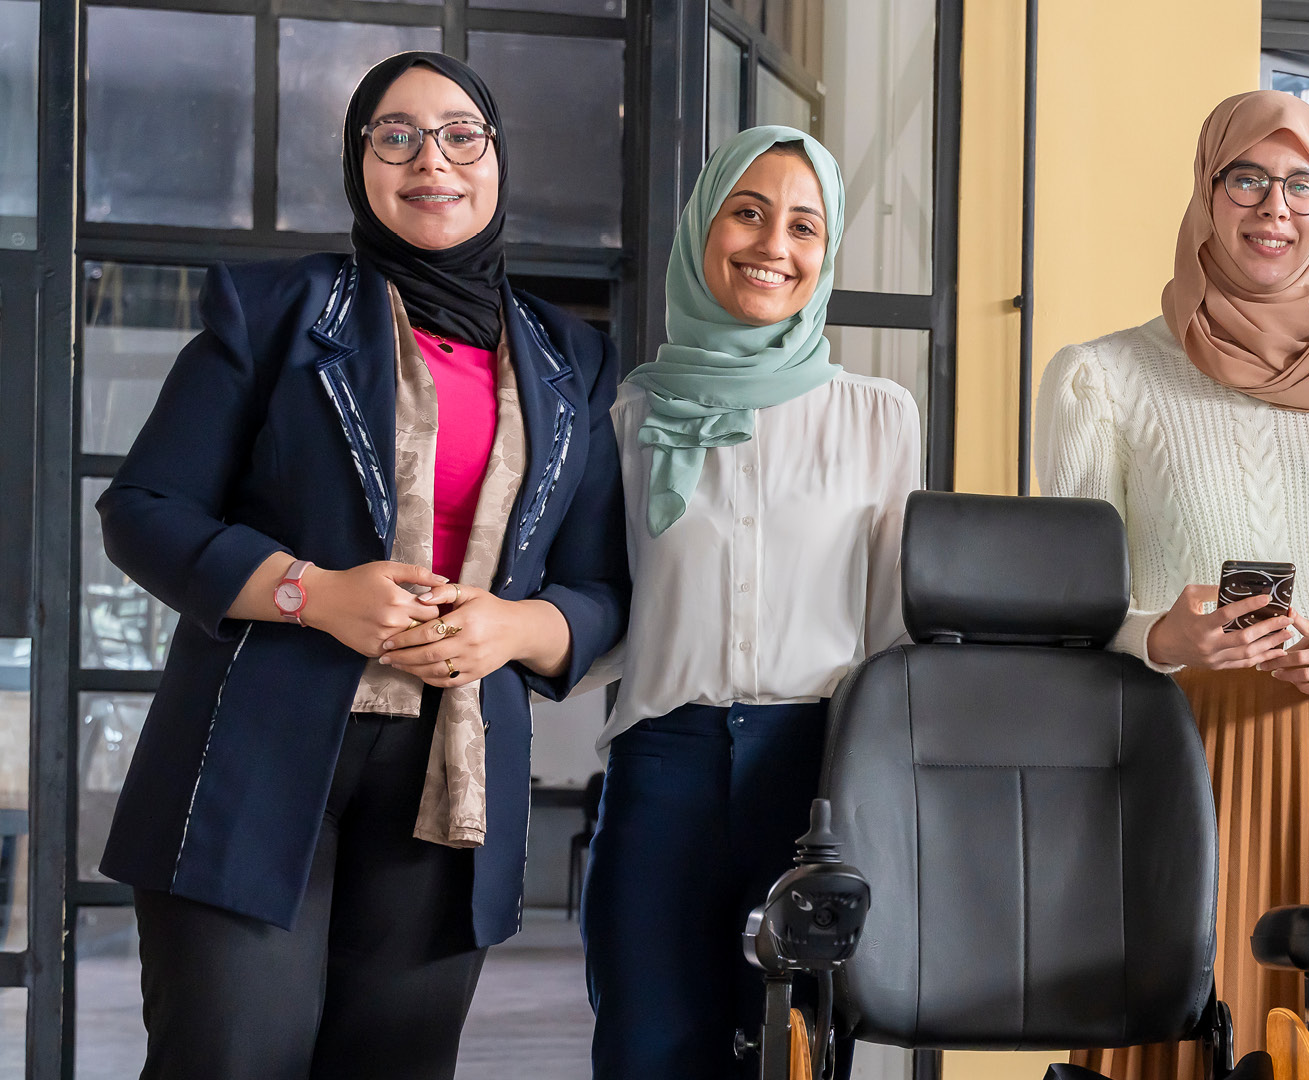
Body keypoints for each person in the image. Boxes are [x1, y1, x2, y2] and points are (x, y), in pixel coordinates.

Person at [95, 52, 629, 1080]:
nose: (433, 162)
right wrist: (313, 593)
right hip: (253, 758)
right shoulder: (276, 315)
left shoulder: (573, 358)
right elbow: (144, 512)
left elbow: (601, 590)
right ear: (361, 162)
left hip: (451, 788)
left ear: (498, 160)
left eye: (461, 135)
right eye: (397, 135)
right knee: (231, 1058)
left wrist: (511, 630)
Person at [1038, 90, 1309, 1080]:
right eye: (1248, 180)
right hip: (1179, 754)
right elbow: (1064, 608)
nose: (1275, 207)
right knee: (1180, 1032)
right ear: (1207, 191)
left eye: (1302, 185)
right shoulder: (1101, 378)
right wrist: (1166, 640)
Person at [580, 126, 920, 1079]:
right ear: (703, 228)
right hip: (660, 767)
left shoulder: (878, 417)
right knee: (646, 1048)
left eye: (805, 226)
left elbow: (894, 626)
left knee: (795, 1057)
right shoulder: (630, 417)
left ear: (829, 249)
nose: (775, 246)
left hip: (814, 771)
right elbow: (604, 611)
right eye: (749, 212)